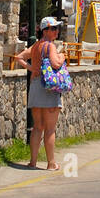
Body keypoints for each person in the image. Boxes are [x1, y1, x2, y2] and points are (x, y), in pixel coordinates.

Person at [16, 17, 67, 170]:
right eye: (53, 28)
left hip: (36, 85)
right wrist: (62, 56)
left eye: (57, 28)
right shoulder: (50, 46)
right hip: (49, 88)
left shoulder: (36, 46)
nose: (56, 31)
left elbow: (19, 57)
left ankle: (33, 161)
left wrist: (32, 69)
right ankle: (51, 163)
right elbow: (56, 63)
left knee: (37, 127)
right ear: (45, 31)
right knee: (50, 129)